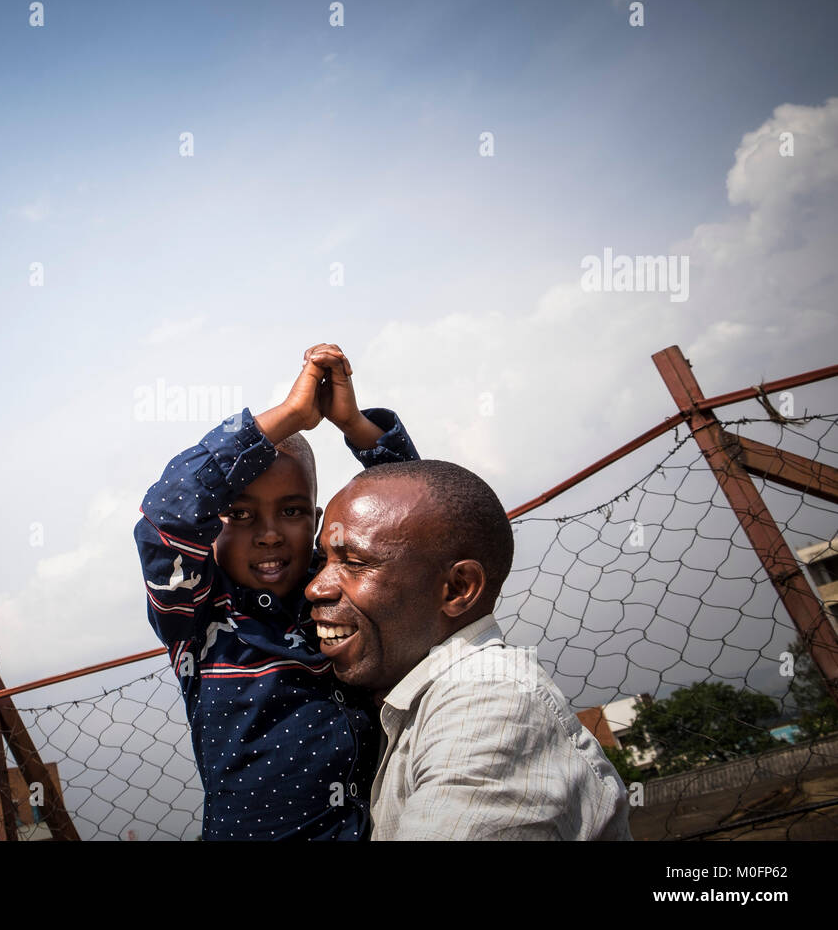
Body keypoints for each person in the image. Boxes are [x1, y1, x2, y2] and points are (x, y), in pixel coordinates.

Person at [134, 344, 420, 839]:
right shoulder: (195, 614)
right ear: (209, 527)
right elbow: (167, 515)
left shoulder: (336, 587)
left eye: (291, 511)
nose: (268, 534)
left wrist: (355, 425)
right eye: (240, 514)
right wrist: (289, 416)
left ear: (316, 519)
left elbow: (418, 515)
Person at [306, 459, 632, 840]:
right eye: (322, 560)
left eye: (354, 563)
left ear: (459, 588)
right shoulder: (405, 701)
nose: (315, 587)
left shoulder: (489, 705)